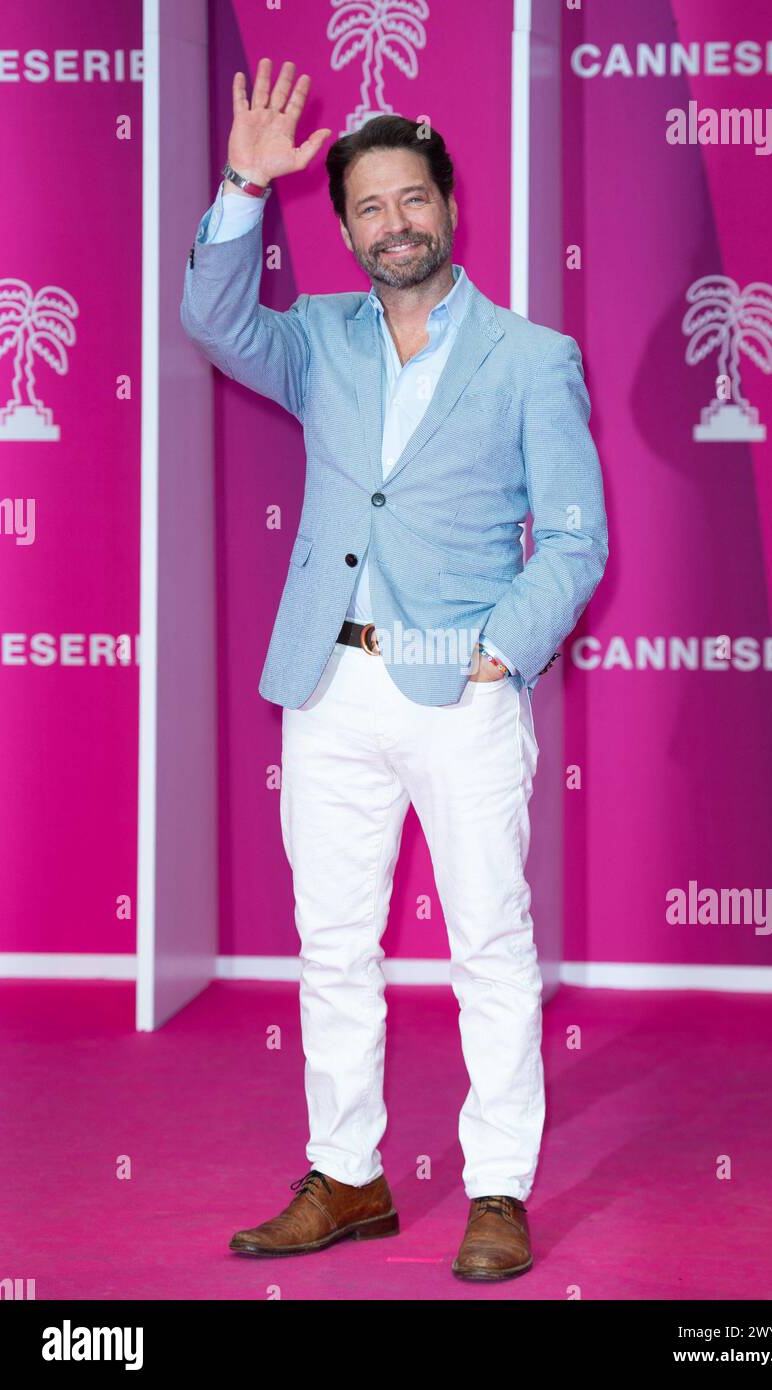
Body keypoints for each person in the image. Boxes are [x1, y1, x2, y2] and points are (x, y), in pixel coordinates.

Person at [180, 57, 608, 1282]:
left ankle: (496, 1190)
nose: (393, 223)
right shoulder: (314, 339)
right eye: (367, 207)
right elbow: (211, 321)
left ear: (448, 207)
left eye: (411, 198)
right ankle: (349, 1176)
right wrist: (239, 192)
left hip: (460, 688)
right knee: (332, 945)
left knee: (487, 945)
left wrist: (498, 649)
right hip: (327, 688)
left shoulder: (532, 357)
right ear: (349, 226)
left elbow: (574, 539)